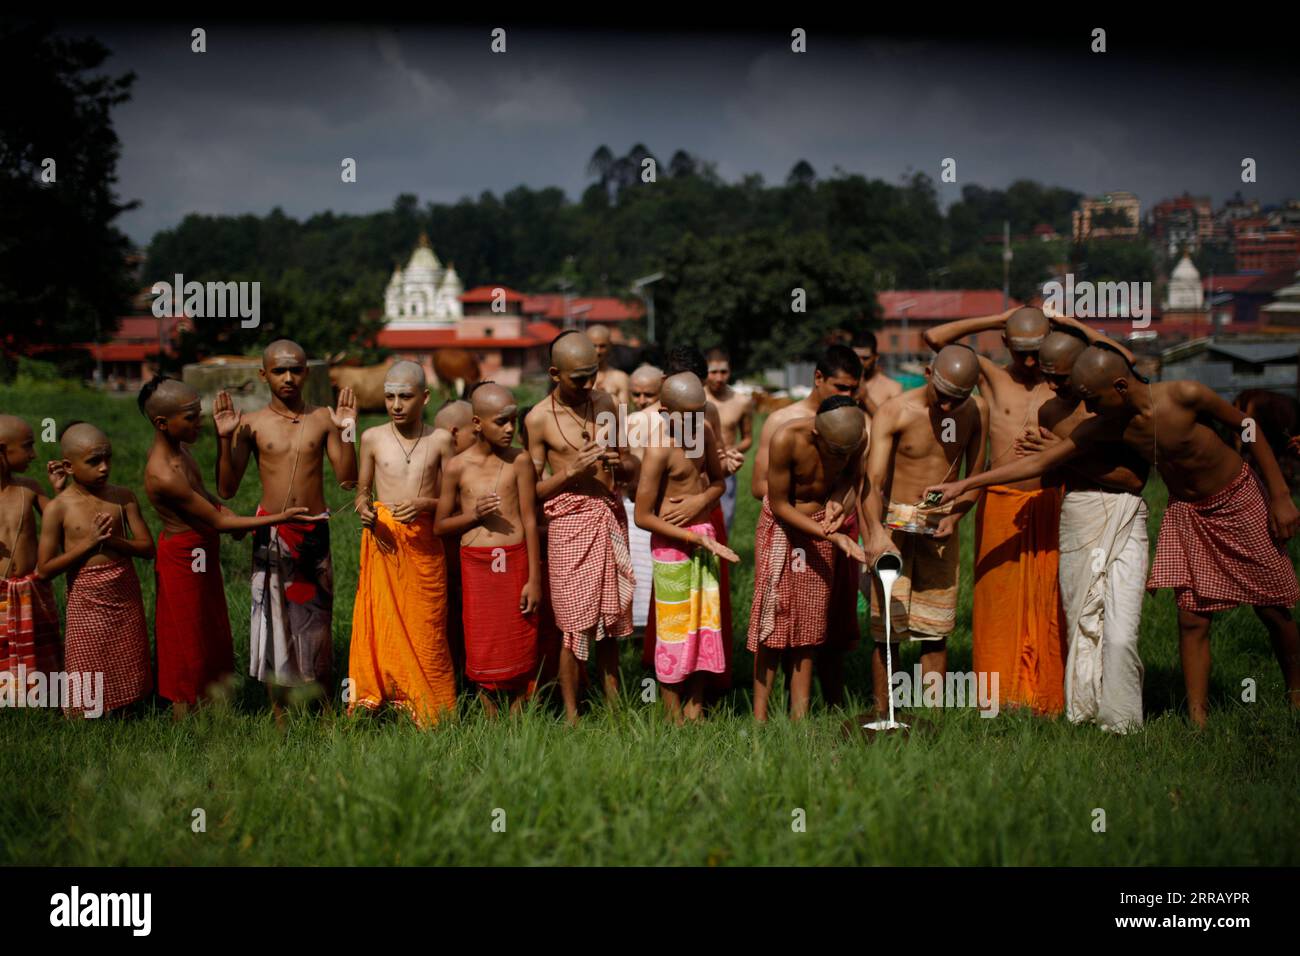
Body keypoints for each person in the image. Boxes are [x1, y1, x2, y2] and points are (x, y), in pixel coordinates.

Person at [926, 345, 1300, 726]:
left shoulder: (1184, 395)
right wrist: (966, 485)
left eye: (1092, 399)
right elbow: (1040, 462)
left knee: (1271, 608)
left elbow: (1247, 426)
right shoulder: (1107, 423)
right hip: (1187, 512)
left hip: (1238, 497)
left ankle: (1295, 696)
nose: (1087, 409)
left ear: (1120, 386)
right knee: (1192, 617)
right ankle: (1198, 722)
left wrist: (1280, 494)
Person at [924, 306, 1067, 714]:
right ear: (1005, 343)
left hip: (1049, 499)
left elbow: (1115, 361)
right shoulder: (991, 374)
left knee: (1051, 597)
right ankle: (1000, 696)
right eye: (1020, 350)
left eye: (1036, 350)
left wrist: (1064, 325)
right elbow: (935, 337)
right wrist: (999, 317)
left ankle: (1049, 696)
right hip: (1000, 499)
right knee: (996, 600)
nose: (1029, 361)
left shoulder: (1062, 378)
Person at [139, 377, 308, 717]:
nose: (198, 421)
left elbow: (209, 500)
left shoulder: (181, 451)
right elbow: (218, 522)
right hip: (183, 558)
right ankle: (183, 719)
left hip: (202, 551)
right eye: (190, 417)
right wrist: (278, 517)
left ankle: (212, 706)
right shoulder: (163, 473)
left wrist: (223, 439)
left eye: (197, 413)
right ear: (162, 423)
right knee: (186, 640)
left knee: (210, 631)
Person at [1014, 332, 1150, 732]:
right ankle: (1085, 712)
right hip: (1078, 512)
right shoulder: (1049, 412)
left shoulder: (1113, 406)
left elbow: (1133, 479)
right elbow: (1049, 477)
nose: (1055, 386)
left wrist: (1060, 453)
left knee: (1122, 632)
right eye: (1048, 377)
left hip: (1124, 513)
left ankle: (1123, 719)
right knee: (1082, 621)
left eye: (1062, 377)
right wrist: (1043, 457)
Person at [214, 339, 357, 711]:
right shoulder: (252, 424)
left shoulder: (323, 417)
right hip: (271, 533)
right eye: (279, 370)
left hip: (312, 532)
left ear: (307, 372)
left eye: (296, 369)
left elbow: (348, 479)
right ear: (264, 375)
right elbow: (227, 489)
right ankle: (279, 712)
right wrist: (224, 438)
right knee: (272, 621)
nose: (289, 377)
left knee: (318, 623)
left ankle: (325, 710)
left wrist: (348, 430)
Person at [862, 346, 987, 717]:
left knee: (934, 630)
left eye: (958, 400)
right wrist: (876, 534)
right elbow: (872, 480)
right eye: (944, 397)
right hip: (894, 527)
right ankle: (885, 712)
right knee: (888, 631)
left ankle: (931, 716)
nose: (949, 408)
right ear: (929, 373)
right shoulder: (895, 411)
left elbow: (975, 478)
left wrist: (956, 517)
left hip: (941, 527)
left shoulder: (978, 410)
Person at [524, 331, 638, 724]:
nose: (588, 385)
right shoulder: (538, 419)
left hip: (608, 515)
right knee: (573, 627)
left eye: (593, 374)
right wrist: (572, 471)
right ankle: (571, 716)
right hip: (568, 525)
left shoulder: (605, 402)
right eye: (578, 378)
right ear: (555, 373)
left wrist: (616, 462)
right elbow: (532, 491)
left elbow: (630, 465)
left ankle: (614, 709)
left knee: (612, 622)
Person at [751, 344, 864, 705]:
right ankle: (760, 720)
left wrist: (838, 503)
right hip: (784, 531)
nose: (838, 456)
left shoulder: (853, 435)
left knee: (811, 627)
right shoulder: (787, 434)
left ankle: (800, 720)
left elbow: (851, 479)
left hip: (821, 529)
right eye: (833, 450)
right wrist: (831, 535)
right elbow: (777, 502)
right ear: (817, 435)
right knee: (773, 619)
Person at [350, 362, 458, 726]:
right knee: (382, 622)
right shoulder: (372, 438)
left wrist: (426, 504)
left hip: (425, 544)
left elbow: (455, 497)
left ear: (425, 398)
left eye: (405, 397)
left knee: (427, 625)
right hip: (384, 541)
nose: (396, 405)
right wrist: (365, 510)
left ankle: (432, 706)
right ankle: (387, 698)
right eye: (390, 396)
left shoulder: (440, 440)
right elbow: (362, 491)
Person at [634, 372, 738, 723]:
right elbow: (643, 516)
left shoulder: (704, 432)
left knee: (705, 624)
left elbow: (720, 482)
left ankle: (697, 706)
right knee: (675, 628)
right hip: (673, 547)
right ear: (665, 411)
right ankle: (672, 714)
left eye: (700, 411)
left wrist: (701, 503)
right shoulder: (659, 447)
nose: (695, 420)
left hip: (704, 535)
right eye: (687, 414)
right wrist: (691, 535)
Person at [436, 383, 542, 717]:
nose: (510, 428)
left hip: (515, 562)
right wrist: (474, 516)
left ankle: (520, 719)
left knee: (519, 639)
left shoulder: (519, 462)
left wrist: (534, 579)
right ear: (477, 424)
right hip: (477, 566)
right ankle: (489, 721)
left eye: (513, 420)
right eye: (501, 422)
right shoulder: (457, 467)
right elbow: (440, 526)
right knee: (483, 644)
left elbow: (529, 519)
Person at [37, 423, 155, 717]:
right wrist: (88, 544)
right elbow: (44, 569)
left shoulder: (122, 497)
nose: (104, 468)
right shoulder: (59, 508)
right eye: (93, 462)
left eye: (108, 459)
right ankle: (82, 715)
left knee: (126, 651)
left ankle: (128, 708)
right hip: (86, 594)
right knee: (86, 656)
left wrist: (113, 541)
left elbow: (147, 548)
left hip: (124, 587)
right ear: (69, 466)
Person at [0, 415, 62, 697]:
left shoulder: (29, 488)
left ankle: (40, 700)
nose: (34, 454)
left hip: (31, 588)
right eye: (27, 447)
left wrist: (60, 492)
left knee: (39, 648)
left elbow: (61, 522)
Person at [432, 398, 476, 683]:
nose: (481, 434)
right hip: (443, 565)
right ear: (454, 434)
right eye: (475, 430)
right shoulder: (433, 472)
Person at [625, 365, 665, 631]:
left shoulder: (673, 423)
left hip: (663, 508)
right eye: (635, 394)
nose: (640, 401)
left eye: (648, 394)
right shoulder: (629, 422)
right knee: (638, 574)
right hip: (633, 506)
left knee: (657, 575)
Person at [705, 348, 754, 530]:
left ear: (730, 372)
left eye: (723, 372)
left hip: (726, 467)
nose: (719, 378)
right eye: (713, 372)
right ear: (705, 372)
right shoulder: (696, 398)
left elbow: (748, 438)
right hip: (699, 468)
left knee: (723, 523)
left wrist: (732, 451)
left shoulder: (741, 401)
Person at [852, 330, 903, 418]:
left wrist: (866, 399)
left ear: (876, 357)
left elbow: (895, 425)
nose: (860, 362)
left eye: (865, 358)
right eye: (855, 357)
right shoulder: (841, 385)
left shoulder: (892, 388)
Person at [586, 324, 631, 407]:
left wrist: (608, 398)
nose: (598, 351)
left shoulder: (620, 378)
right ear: (585, 345)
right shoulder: (577, 377)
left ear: (610, 346)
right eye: (593, 346)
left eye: (602, 346)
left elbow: (623, 414)